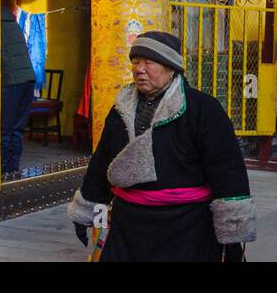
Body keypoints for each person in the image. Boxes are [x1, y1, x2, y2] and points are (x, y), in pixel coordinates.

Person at [67, 31, 256, 261]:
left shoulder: (202, 109)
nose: (139, 69)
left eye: (149, 62)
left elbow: (227, 171)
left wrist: (233, 237)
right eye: (135, 62)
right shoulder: (121, 110)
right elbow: (101, 163)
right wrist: (87, 212)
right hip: (128, 225)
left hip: (186, 226)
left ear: (171, 68)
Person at [0, 0, 37, 176]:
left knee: (4, 129)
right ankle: (13, 168)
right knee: (17, 129)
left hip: (13, 82)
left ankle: (2, 169)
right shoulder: (13, 24)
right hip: (28, 79)